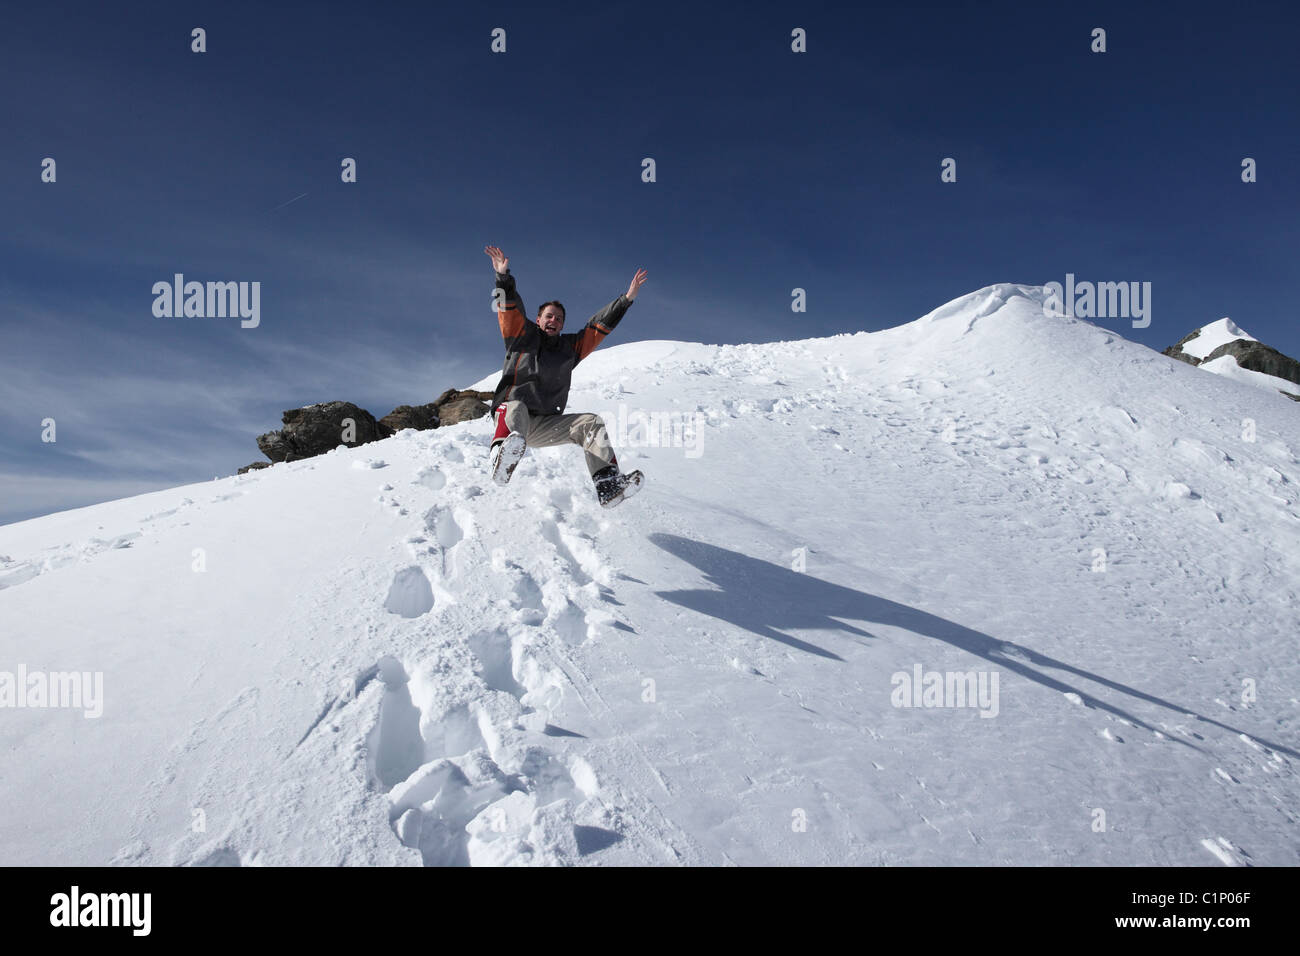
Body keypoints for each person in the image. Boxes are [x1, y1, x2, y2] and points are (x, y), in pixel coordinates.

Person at [483, 244, 649, 507]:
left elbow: (597, 327)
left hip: (543, 426)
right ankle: (499, 458)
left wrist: (625, 300)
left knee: (590, 423)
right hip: (514, 421)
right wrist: (503, 278)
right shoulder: (521, 335)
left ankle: (608, 484)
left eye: (559, 319)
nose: (554, 321)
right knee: (514, 406)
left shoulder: (569, 349)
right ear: (538, 319)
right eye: (549, 316)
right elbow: (508, 307)